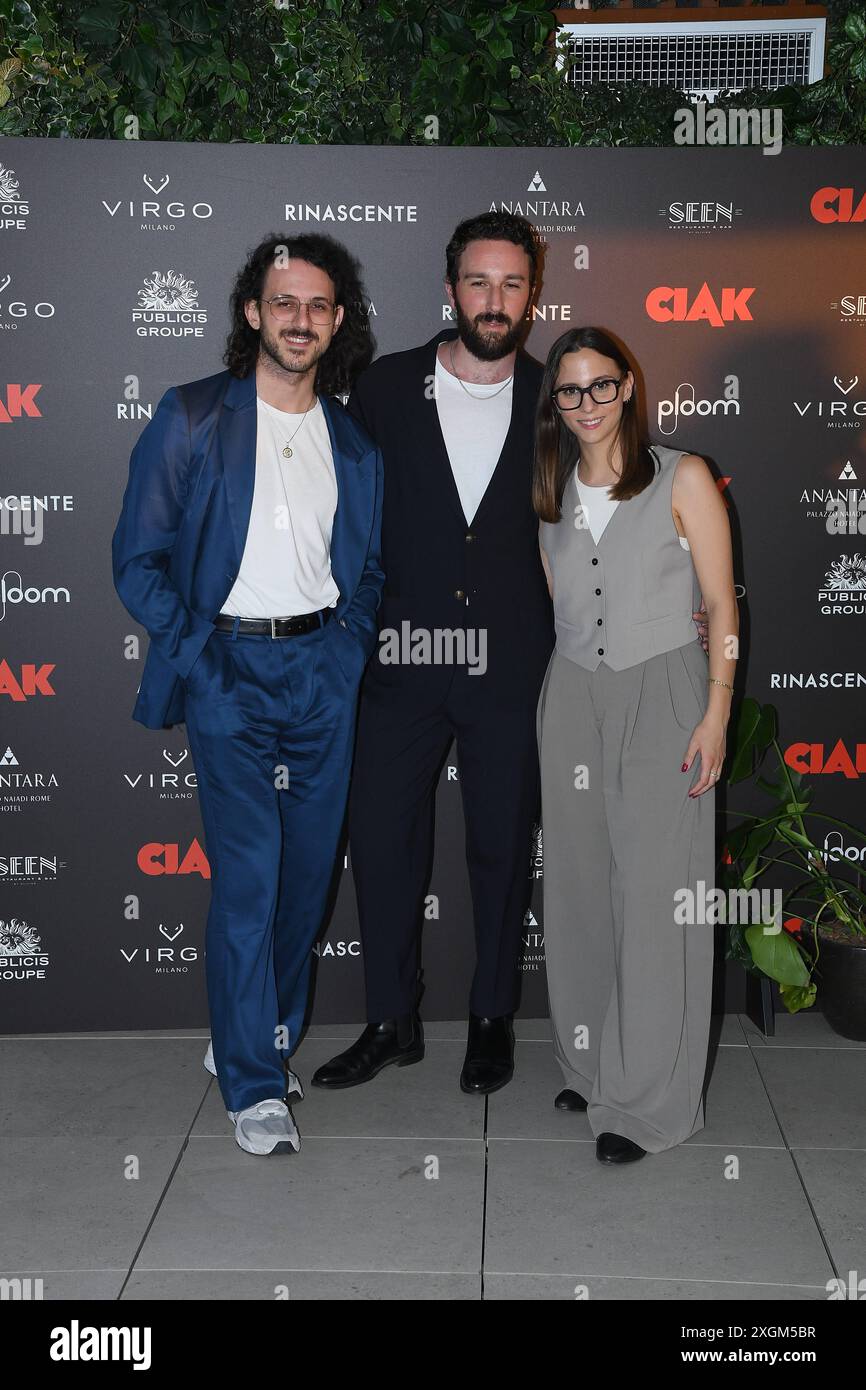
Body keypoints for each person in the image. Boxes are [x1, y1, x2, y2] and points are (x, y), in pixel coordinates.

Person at [112, 233, 384, 1156]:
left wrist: (347, 647)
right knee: (249, 879)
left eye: (317, 305)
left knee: (307, 881)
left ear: (336, 321)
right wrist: (200, 658)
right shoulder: (192, 417)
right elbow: (136, 561)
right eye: (283, 302)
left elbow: (369, 566)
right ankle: (255, 1085)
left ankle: (258, 1034)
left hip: (322, 673)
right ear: (251, 312)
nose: (299, 319)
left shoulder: (351, 442)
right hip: (227, 670)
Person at [312, 212, 555, 1095]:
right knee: (381, 842)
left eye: (512, 284)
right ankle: (390, 1020)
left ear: (533, 293)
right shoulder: (383, 388)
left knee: (501, 843)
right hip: (401, 661)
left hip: (512, 664)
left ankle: (492, 1016)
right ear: (450, 290)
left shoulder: (555, 395)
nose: (495, 302)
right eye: (479, 283)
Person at [534, 326, 737, 1163]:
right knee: (580, 888)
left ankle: (648, 1103)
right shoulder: (547, 490)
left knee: (658, 898)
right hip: (574, 694)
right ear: (556, 403)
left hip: (666, 692)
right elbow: (565, 606)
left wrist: (717, 710)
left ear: (628, 385)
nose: (588, 405)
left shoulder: (681, 476)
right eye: (570, 391)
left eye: (601, 386)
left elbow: (723, 605)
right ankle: (591, 1062)